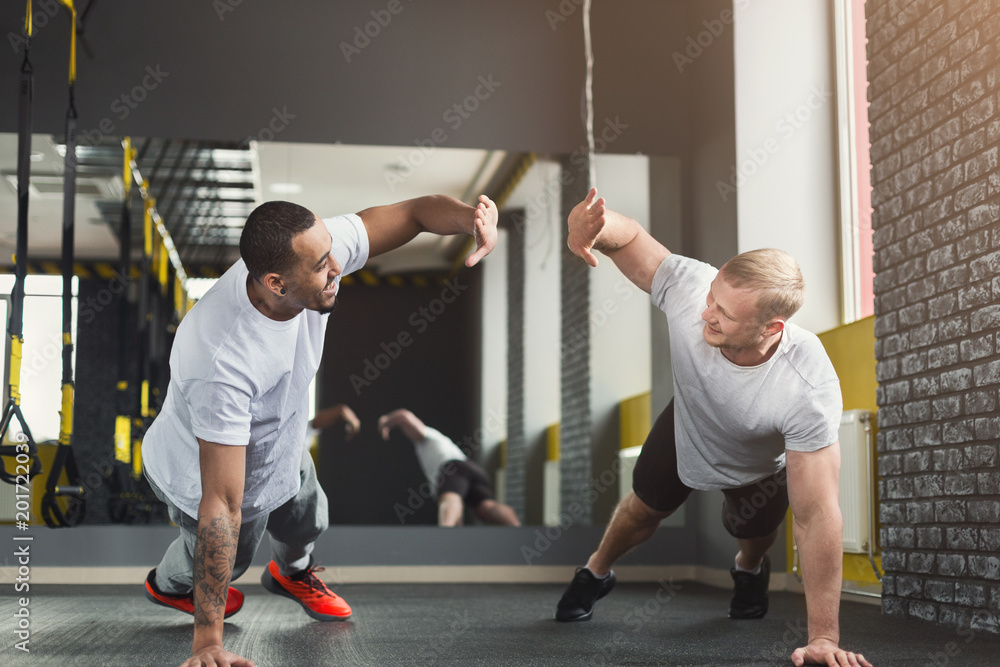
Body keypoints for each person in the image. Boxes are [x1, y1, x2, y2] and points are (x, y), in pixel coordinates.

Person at [140, 194, 498, 667]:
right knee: (226, 556)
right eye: (323, 265)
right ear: (275, 282)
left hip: (278, 436)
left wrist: (473, 221)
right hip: (203, 469)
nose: (338, 266)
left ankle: (293, 572)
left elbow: (413, 214)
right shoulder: (220, 358)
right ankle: (166, 584)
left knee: (309, 515)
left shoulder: (313, 251)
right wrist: (208, 640)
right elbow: (222, 506)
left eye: (332, 252)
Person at [555, 188, 871, 667]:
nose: (706, 313)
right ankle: (596, 572)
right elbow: (629, 239)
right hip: (686, 425)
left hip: (755, 465)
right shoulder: (693, 290)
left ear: (772, 329)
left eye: (724, 313)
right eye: (711, 298)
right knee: (640, 510)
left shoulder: (807, 384)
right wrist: (592, 228)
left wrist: (824, 637)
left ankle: (748, 569)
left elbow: (816, 515)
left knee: (752, 533)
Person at [377, 408, 520, 527]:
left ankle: (444, 537)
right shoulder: (436, 443)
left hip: (453, 467)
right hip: (472, 469)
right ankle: (517, 529)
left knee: (450, 498)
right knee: (486, 507)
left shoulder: (428, 436)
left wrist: (386, 421)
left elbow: (404, 416)